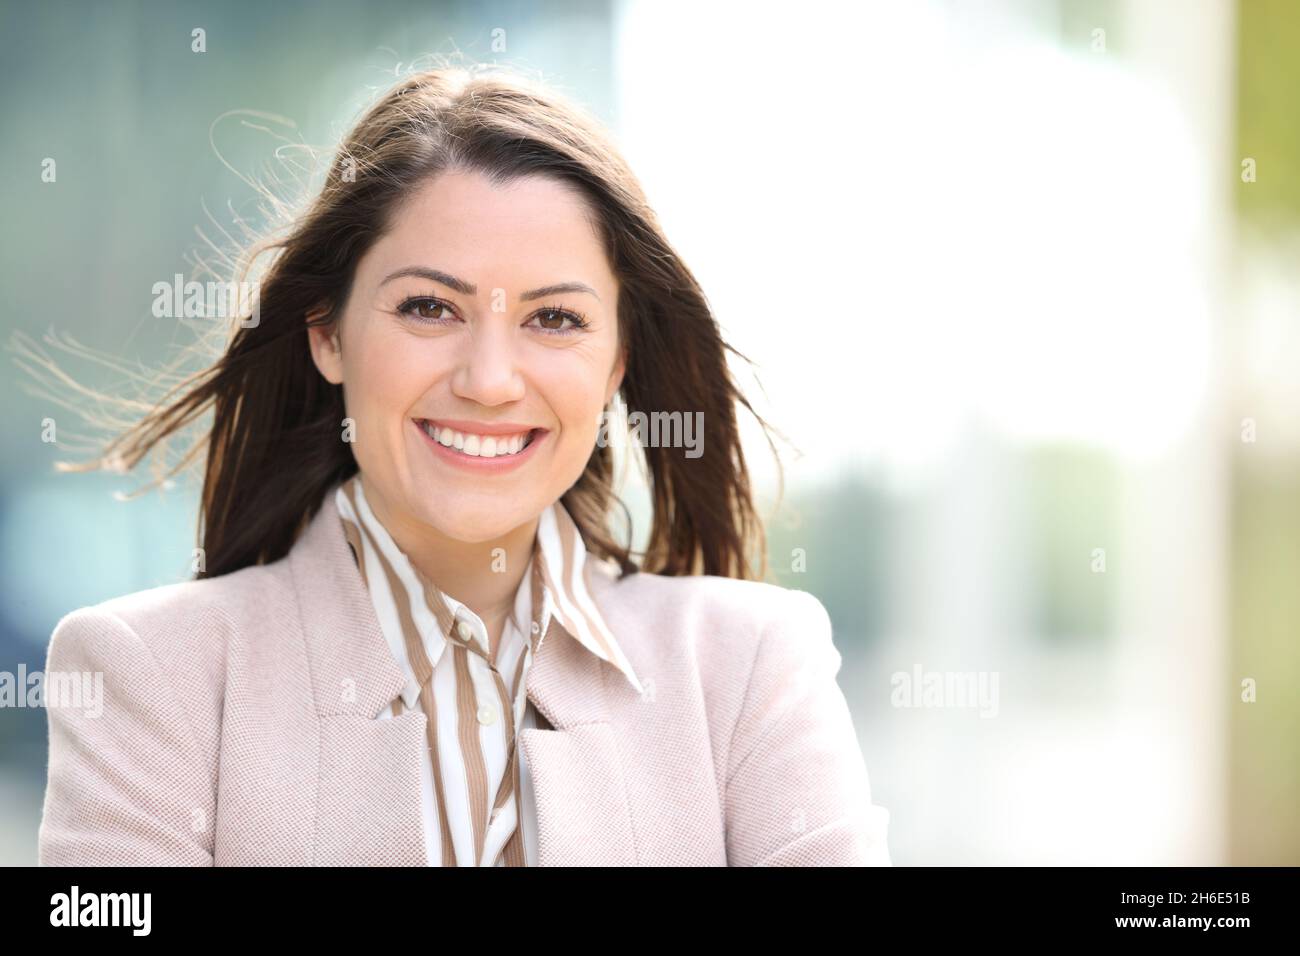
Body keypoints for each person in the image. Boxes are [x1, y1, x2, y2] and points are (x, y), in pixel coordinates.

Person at [35, 64, 892, 866]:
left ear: (618, 360)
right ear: (327, 334)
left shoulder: (751, 666)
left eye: (554, 319)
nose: (488, 380)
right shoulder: (149, 674)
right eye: (429, 307)